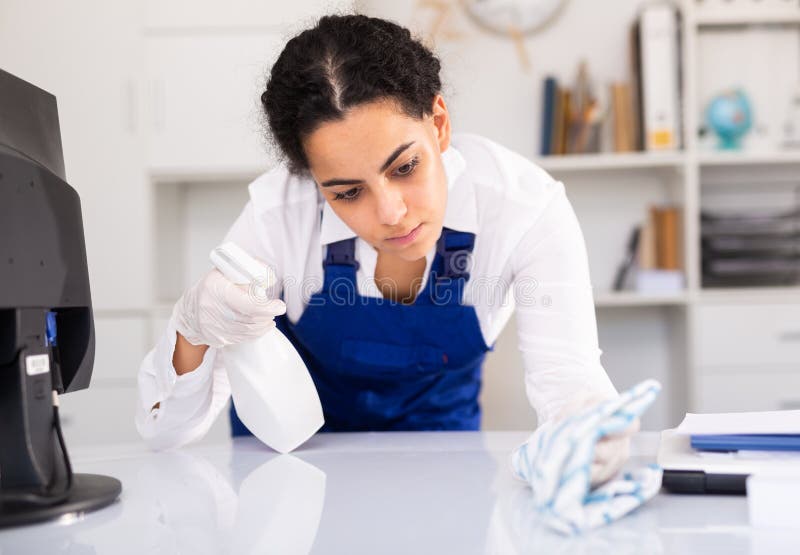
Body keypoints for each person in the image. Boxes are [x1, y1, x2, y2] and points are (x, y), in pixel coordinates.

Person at [136, 14, 638, 487]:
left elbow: (567, 378)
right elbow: (165, 434)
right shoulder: (278, 213)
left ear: (438, 124)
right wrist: (194, 327)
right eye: (347, 193)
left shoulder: (523, 209)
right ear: (314, 181)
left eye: (404, 168)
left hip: (445, 476)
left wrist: (586, 429)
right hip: (287, 484)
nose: (391, 212)